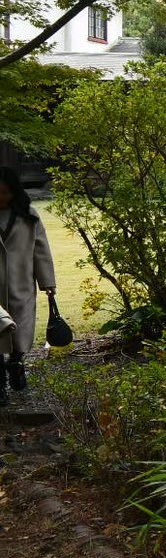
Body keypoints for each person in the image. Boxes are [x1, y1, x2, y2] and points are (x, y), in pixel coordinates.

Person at [0, 166, 55, 406]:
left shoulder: (29, 215)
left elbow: (41, 250)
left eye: (4, 192)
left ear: (13, 191)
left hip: (21, 283)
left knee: (20, 331)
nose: (0, 197)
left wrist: (48, 283)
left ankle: (16, 363)